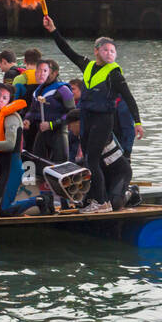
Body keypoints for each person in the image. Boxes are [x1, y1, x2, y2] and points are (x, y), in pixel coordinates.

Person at [43, 16, 143, 212]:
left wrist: (137, 122)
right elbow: (67, 50)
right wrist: (53, 30)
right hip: (87, 118)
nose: (109, 53)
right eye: (105, 49)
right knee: (89, 158)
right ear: (96, 51)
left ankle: (102, 202)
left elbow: (129, 98)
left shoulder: (114, 73)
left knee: (92, 160)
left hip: (103, 119)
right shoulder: (87, 65)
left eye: (112, 51)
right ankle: (98, 199)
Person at [0, 84, 38, 216]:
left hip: (13, 166)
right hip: (4, 166)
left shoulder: (11, 117)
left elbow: (10, 145)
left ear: (9, 102)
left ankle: (40, 200)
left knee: (2, 209)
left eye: (4, 98)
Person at [64, 109, 136, 211]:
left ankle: (132, 192)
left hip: (120, 172)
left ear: (78, 122)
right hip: (104, 174)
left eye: (70, 125)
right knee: (84, 203)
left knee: (114, 204)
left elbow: (94, 160)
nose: (69, 128)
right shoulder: (82, 136)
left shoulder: (99, 132)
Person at [26, 59, 74, 168]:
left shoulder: (64, 90)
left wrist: (51, 124)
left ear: (54, 73)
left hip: (58, 133)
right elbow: (32, 111)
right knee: (38, 163)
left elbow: (71, 113)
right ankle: (41, 182)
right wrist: (28, 120)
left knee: (60, 166)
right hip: (42, 132)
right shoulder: (37, 91)